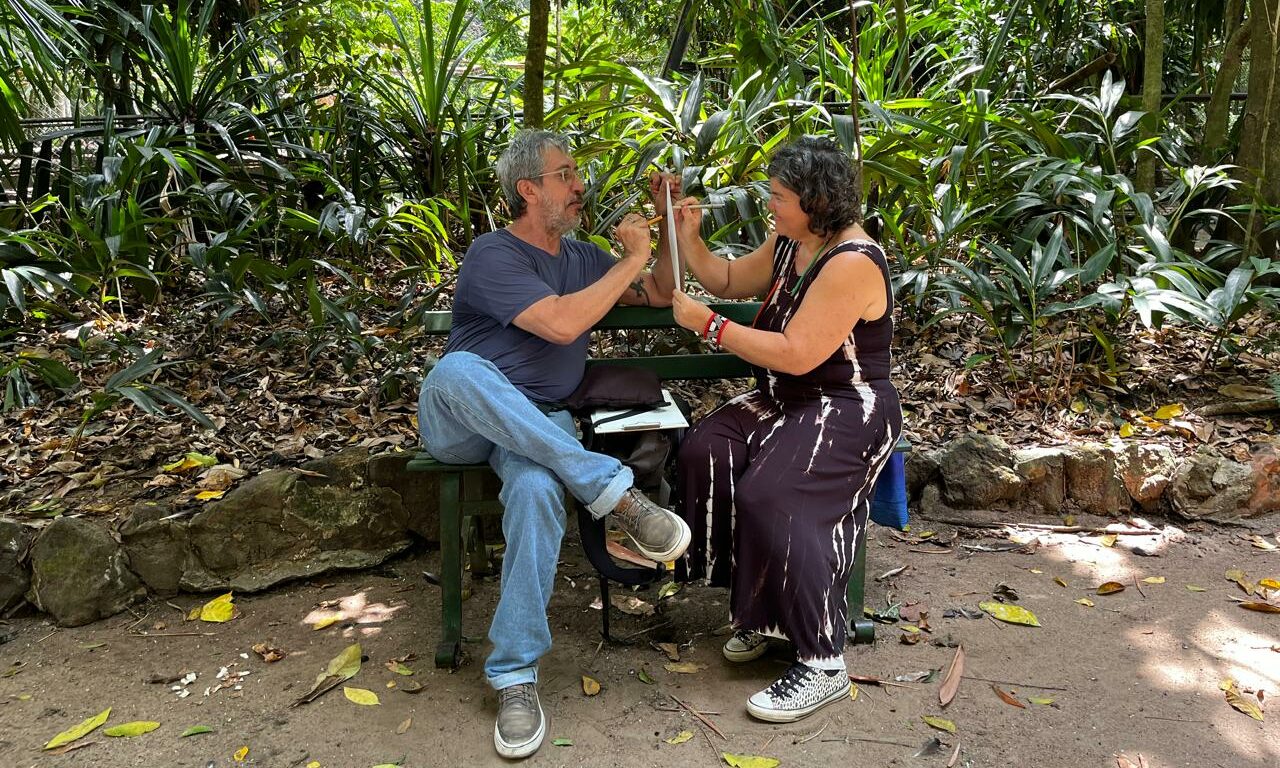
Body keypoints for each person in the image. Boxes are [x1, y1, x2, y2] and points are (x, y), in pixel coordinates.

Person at [417, 129, 691, 759]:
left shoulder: (582, 256)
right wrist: (626, 258)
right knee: (455, 370)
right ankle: (612, 493)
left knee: (540, 488)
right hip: (462, 418)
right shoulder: (493, 254)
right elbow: (564, 322)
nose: (579, 185)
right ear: (528, 189)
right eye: (565, 174)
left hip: (538, 429)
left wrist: (664, 237)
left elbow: (656, 293)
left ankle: (514, 675)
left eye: (576, 174)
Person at [669, 135, 902, 723]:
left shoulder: (852, 261)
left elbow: (798, 353)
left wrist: (710, 329)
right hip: (785, 399)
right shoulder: (790, 241)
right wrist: (688, 237)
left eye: (779, 195)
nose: (769, 203)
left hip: (846, 406)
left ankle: (823, 659)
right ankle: (759, 610)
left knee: (774, 493)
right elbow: (723, 280)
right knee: (704, 452)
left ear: (815, 198)